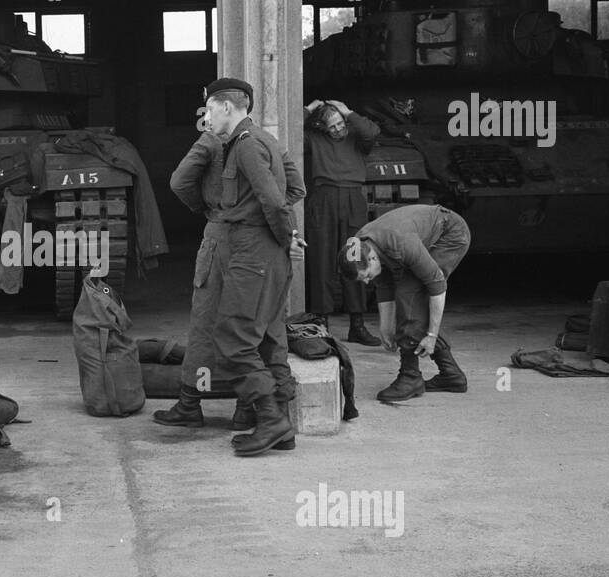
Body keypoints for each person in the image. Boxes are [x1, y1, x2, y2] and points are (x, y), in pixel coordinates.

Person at [154, 77, 300, 456]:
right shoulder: (265, 140)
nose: (206, 119)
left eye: (210, 111)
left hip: (251, 248)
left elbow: (273, 200)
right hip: (261, 248)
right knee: (266, 333)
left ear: (227, 108)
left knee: (232, 337)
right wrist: (284, 239)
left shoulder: (246, 146)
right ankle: (280, 426)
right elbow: (292, 188)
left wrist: (282, 236)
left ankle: (271, 419)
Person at [337, 204, 472, 401]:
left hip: (450, 235)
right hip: (421, 235)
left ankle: (411, 377)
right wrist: (386, 328)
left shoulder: (400, 242)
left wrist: (432, 335)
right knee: (409, 299)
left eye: (365, 276)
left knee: (410, 296)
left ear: (373, 258)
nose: (366, 282)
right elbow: (384, 285)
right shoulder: (360, 246)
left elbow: (437, 286)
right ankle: (451, 374)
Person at [303, 99, 382, 346]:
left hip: (352, 198)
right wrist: (309, 109)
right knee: (322, 260)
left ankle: (357, 325)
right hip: (323, 197)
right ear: (322, 127)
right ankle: (322, 324)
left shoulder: (358, 139)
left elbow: (372, 131)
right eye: (331, 127)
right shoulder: (313, 138)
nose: (337, 130)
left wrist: (348, 111)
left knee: (355, 257)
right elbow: (288, 130)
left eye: (339, 124)